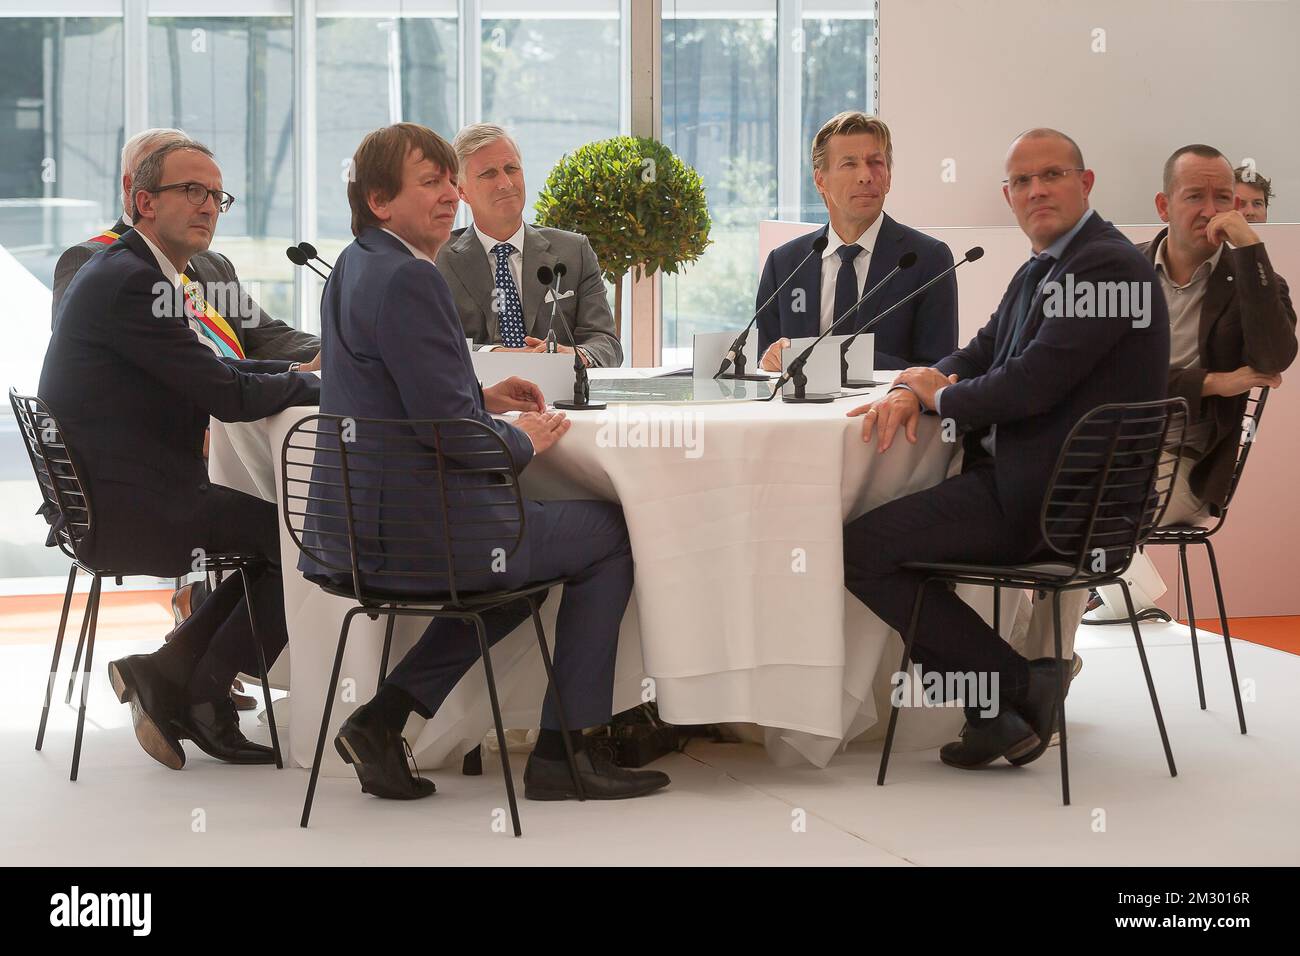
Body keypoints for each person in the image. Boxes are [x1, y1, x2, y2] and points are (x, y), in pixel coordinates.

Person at [306, 122, 666, 802]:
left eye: (450, 180)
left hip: (352, 531)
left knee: (522, 573)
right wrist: (525, 437)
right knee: (610, 535)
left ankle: (382, 721)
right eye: (431, 182)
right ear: (379, 200)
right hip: (422, 537)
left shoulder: (356, 263)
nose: (450, 195)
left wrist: (481, 395)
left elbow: (405, 388)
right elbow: (455, 437)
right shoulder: (413, 277)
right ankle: (568, 751)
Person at [841, 129, 1169, 769]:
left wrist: (941, 398)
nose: (1036, 190)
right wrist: (912, 386)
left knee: (863, 551)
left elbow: (1030, 384)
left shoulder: (1106, 267)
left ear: (1086, 183)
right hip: (1033, 487)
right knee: (882, 542)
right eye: (1022, 181)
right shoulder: (1043, 267)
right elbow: (979, 353)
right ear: (1008, 195)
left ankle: (1017, 686)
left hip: (1059, 504)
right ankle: (997, 712)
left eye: (1052, 175)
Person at [39, 137, 320, 769]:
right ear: (144, 202)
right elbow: (225, 393)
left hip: (124, 491)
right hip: (130, 507)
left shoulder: (137, 271)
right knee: (304, 543)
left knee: (278, 537)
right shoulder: (132, 282)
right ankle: (195, 691)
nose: (209, 205)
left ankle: (171, 676)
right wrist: (326, 385)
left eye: (216, 195)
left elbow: (219, 368)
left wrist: (300, 371)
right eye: (191, 190)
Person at [1086, 145, 1296, 623]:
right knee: (1019, 488)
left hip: (1188, 461)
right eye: (1195, 196)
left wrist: (1250, 250)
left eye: (1223, 198)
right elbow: (1103, 378)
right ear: (1164, 206)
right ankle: (1099, 608)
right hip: (1103, 445)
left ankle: (1121, 593)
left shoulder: (1253, 278)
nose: (1210, 210)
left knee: (1069, 505)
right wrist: (1211, 383)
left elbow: (1274, 358)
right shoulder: (1121, 273)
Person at [756, 112, 957, 372]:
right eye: (849, 164)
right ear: (820, 180)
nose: (865, 176)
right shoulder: (784, 263)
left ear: (888, 177)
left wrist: (837, 360)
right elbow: (762, 359)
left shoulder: (927, 259)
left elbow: (937, 370)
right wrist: (768, 360)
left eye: (876, 162)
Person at [434, 123, 622, 367]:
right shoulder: (437, 260)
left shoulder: (575, 251)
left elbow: (606, 343)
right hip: (479, 389)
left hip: (559, 388)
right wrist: (496, 354)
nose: (505, 183)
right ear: (462, 192)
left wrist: (576, 356)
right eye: (488, 174)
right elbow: (433, 345)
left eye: (511, 169)